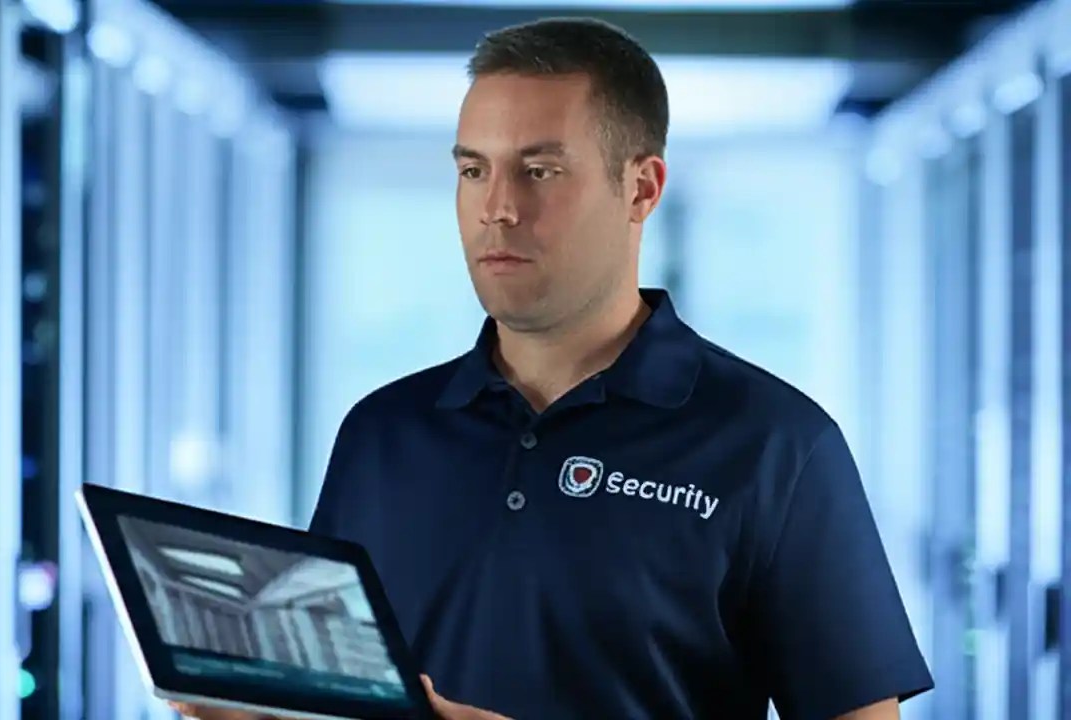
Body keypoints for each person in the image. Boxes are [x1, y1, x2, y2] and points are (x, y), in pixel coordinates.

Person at [173, 15, 933, 720]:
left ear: (640, 188)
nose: (496, 208)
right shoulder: (381, 433)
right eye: (474, 171)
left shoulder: (777, 446)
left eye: (538, 171)